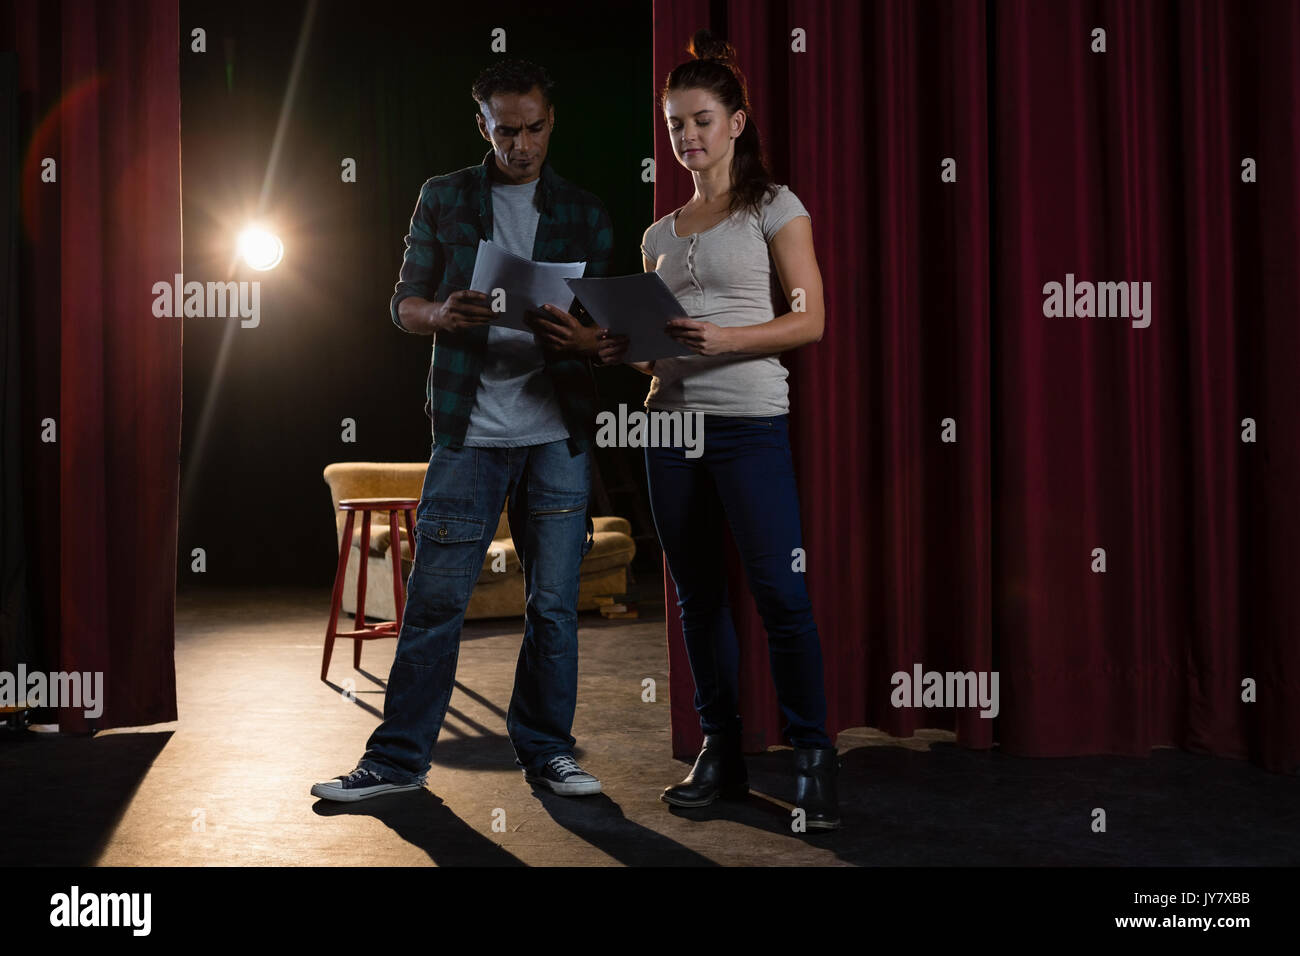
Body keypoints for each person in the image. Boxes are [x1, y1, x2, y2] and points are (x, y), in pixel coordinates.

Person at [312, 58, 626, 803]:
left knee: (554, 605)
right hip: (470, 432)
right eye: (506, 130)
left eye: (535, 128)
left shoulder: (585, 211)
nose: (521, 144)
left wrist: (589, 342)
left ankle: (549, 752)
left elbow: (608, 333)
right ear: (480, 125)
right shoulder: (444, 196)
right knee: (435, 603)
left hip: (556, 433)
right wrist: (441, 316)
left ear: (553, 122)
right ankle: (395, 763)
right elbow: (403, 304)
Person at [625, 30, 840, 829]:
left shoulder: (773, 206)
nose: (687, 137)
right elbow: (657, 357)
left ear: (737, 124)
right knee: (696, 599)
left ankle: (816, 759)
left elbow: (811, 319)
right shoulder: (656, 236)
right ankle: (722, 752)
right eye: (676, 123)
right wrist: (625, 348)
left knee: (782, 594)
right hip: (669, 433)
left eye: (702, 120)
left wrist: (727, 341)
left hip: (749, 425)